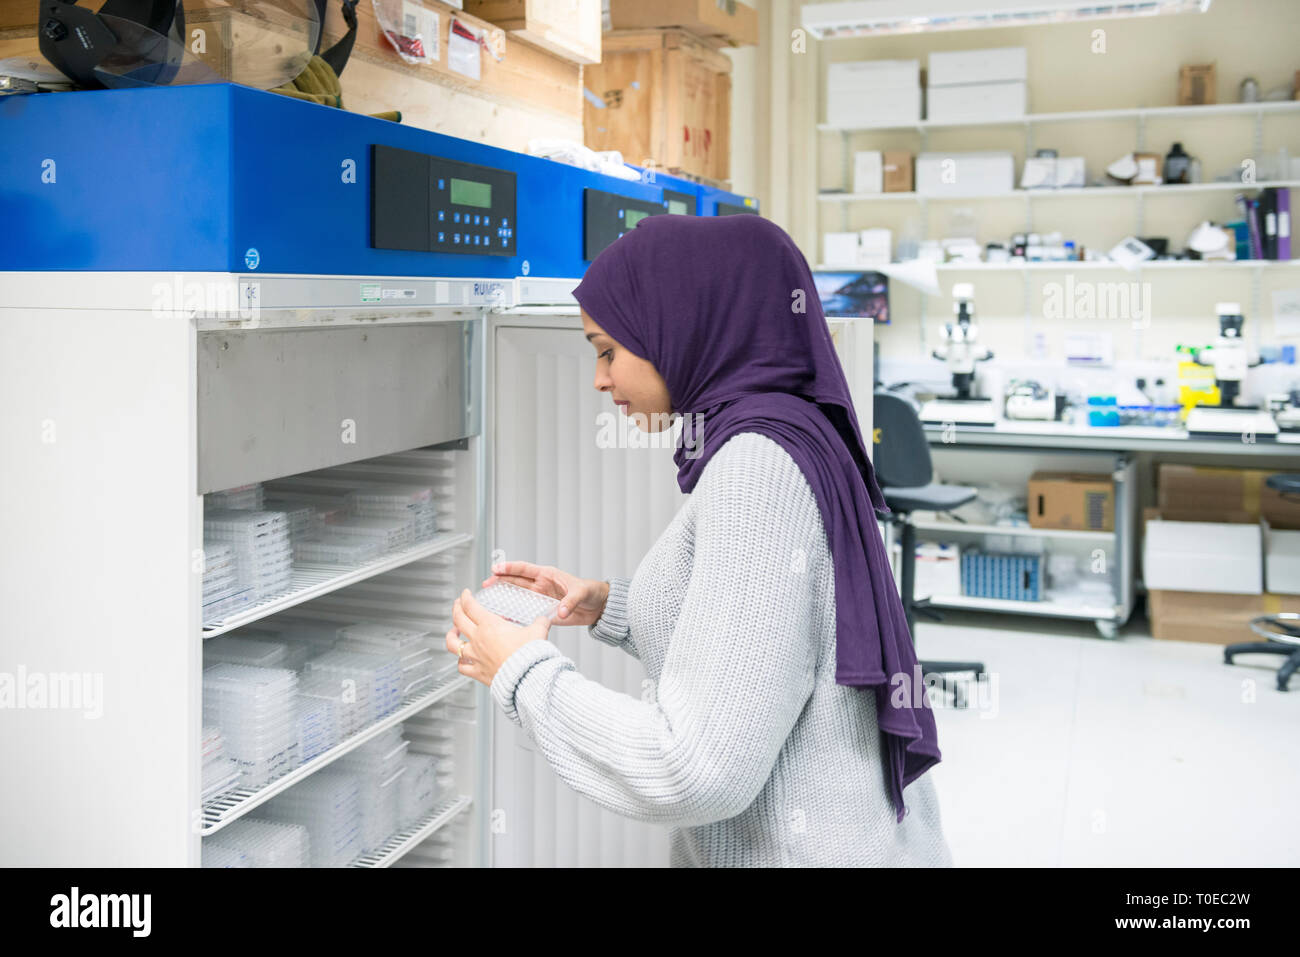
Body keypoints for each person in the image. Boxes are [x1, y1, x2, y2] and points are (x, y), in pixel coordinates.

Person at [446, 213, 954, 867]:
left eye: (608, 350)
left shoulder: (756, 466)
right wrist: (606, 603)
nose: (599, 379)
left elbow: (694, 768)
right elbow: (767, 633)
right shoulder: (783, 430)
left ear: (680, 327)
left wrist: (519, 672)